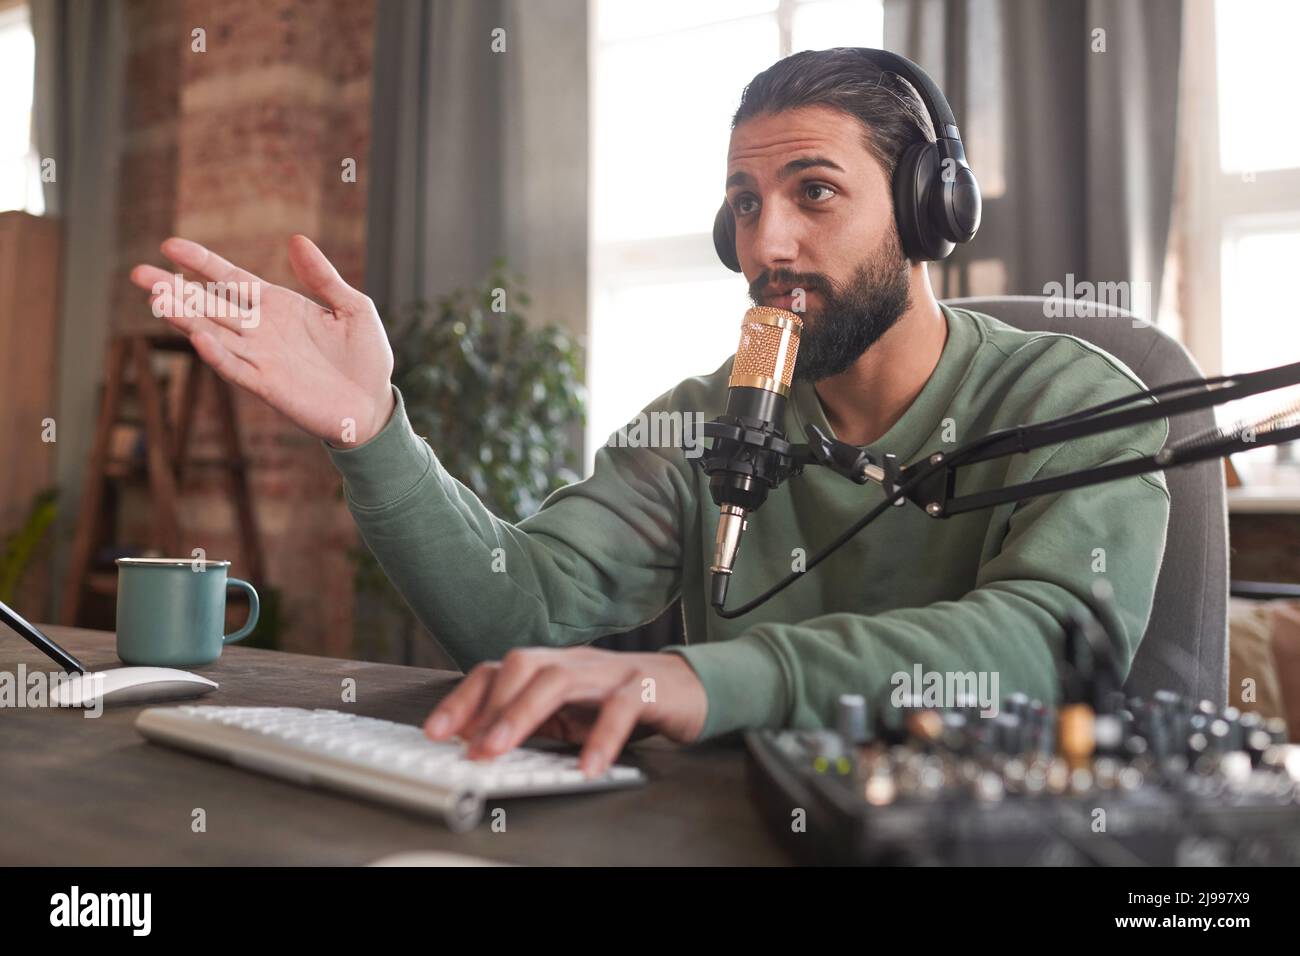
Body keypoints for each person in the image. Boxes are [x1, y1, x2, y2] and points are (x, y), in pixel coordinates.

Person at [129, 49, 1169, 778]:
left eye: (815, 192)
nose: (766, 246)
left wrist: (700, 677)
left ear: (927, 206)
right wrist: (371, 428)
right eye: (746, 203)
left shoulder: (1076, 401)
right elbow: (515, 611)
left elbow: (1045, 642)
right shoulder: (699, 423)